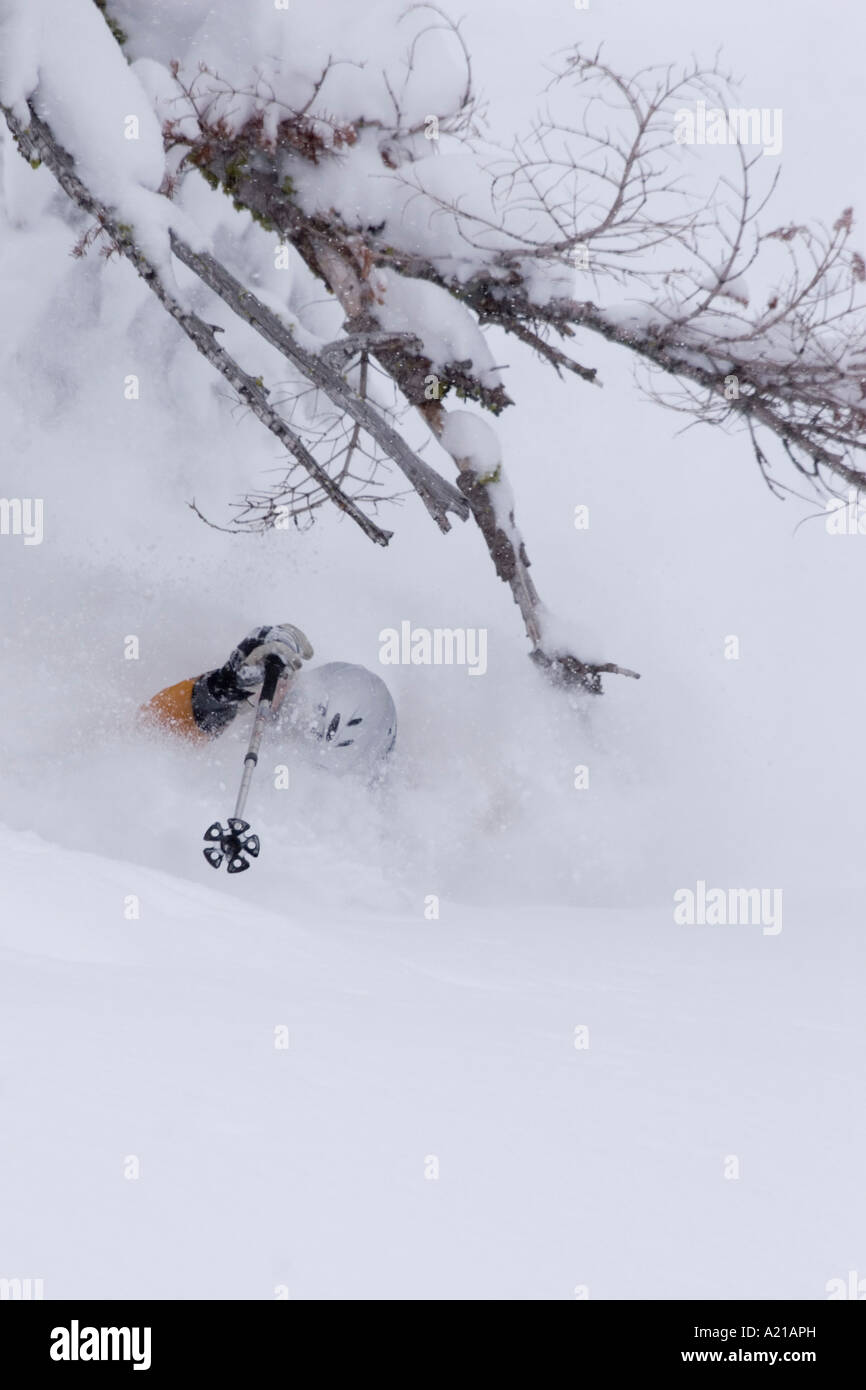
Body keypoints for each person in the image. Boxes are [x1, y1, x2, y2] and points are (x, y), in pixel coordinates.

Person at [141, 624, 397, 779]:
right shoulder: (249, 721)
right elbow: (150, 731)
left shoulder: (367, 822)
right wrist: (225, 687)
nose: (283, 731)